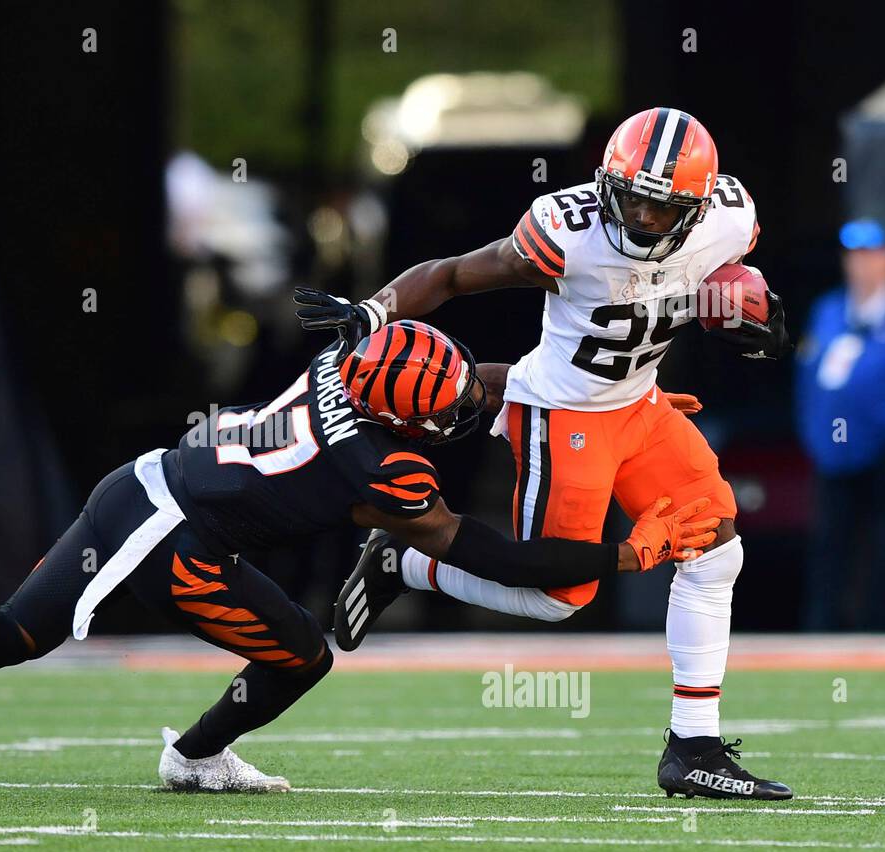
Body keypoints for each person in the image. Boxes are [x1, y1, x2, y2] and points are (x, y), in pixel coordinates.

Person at [0, 320, 715, 793]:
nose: (455, 421)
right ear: (401, 417)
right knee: (10, 639)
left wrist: (606, 404)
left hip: (152, 483)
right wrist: (630, 554)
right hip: (170, 537)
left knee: (301, 649)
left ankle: (192, 756)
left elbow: (444, 371)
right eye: (436, 417)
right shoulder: (385, 466)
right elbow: (500, 557)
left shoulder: (343, 361)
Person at [301, 108, 793, 800]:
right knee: (562, 598)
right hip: (564, 415)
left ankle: (694, 745)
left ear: (698, 206)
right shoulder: (566, 235)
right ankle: (406, 562)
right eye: (633, 200)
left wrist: (758, 319)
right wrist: (373, 311)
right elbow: (447, 275)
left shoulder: (727, 220)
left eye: (663, 207)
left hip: (642, 405)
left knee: (716, 545)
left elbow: (749, 299)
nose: (644, 219)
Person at [795, 219, 885, 631]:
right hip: (833, 454)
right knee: (830, 544)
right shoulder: (829, 310)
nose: (862, 265)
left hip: (884, 454)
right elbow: (807, 379)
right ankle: (823, 631)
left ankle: (877, 629)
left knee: (883, 547)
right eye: (854, 256)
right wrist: (814, 434)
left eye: (871, 255)